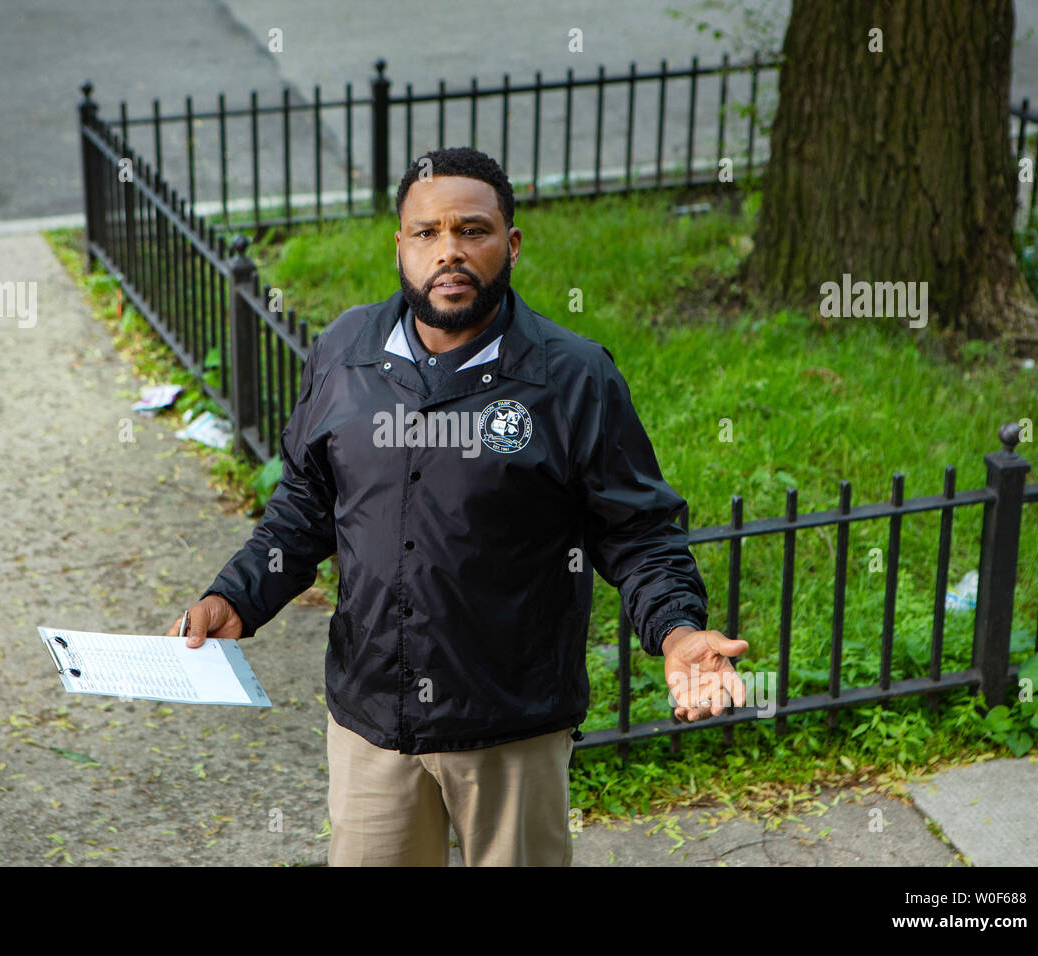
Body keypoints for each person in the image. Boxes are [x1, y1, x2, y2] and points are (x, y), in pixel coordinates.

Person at [166, 146, 747, 866]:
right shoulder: (344, 352)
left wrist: (678, 631)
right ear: (400, 248)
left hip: (511, 731)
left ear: (511, 243)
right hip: (372, 722)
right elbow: (307, 503)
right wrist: (237, 595)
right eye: (427, 233)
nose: (450, 252)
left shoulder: (572, 377)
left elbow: (637, 533)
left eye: (472, 230)